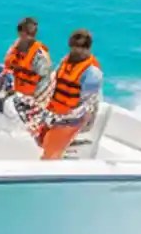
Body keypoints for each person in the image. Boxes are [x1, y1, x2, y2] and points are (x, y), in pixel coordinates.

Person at [37, 29, 103, 159]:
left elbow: (87, 105)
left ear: (87, 49)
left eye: (79, 49)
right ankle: (62, 151)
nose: (75, 53)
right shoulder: (66, 61)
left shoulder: (92, 73)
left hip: (73, 119)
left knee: (50, 152)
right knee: (37, 135)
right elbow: (52, 84)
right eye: (73, 48)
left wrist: (62, 119)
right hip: (54, 111)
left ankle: (52, 162)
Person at [0, 17, 51, 99]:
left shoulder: (40, 56)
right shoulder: (15, 46)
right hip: (11, 90)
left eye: (29, 34)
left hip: (28, 97)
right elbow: (8, 64)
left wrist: (34, 98)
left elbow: (45, 81)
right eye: (22, 33)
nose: (24, 36)